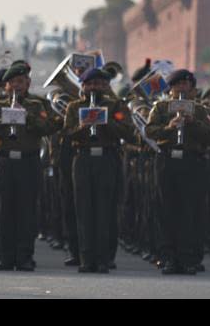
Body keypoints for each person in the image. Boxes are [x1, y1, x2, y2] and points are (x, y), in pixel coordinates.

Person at [62, 67, 136, 273]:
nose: (94, 88)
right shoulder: (74, 107)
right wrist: (84, 125)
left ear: (106, 86)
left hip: (107, 158)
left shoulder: (116, 106)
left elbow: (128, 132)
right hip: (83, 159)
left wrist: (105, 121)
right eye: (90, 84)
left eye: (99, 84)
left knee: (106, 210)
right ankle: (86, 258)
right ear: (83, 86)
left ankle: (104, 258)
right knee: (84, 210)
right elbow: (67, 134)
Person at [0, 61, 55, 270]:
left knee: (27, 212)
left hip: (28, 161)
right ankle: (5, 257)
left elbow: (49, 127)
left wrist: (26, 116)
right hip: (4, 161)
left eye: (20, 82)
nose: (16, 86)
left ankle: (25, 257)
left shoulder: (38, 104)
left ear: (28, 83)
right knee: (4, 211)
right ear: (6, 85)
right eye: (12, 82)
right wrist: (6, 119)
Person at [147, 69, 210, 275]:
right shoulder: (160, 108)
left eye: (185, 84)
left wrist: (193, 123)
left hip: (191, 162)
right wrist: (170, 127)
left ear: (191, 87)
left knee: (190, 211)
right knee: (166, 210)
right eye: (177, 85)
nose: (181, 88)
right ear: (171, 88)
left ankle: (187, 258)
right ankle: (168, 257)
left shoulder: (200, 110)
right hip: (167, 161)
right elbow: (149, 131)